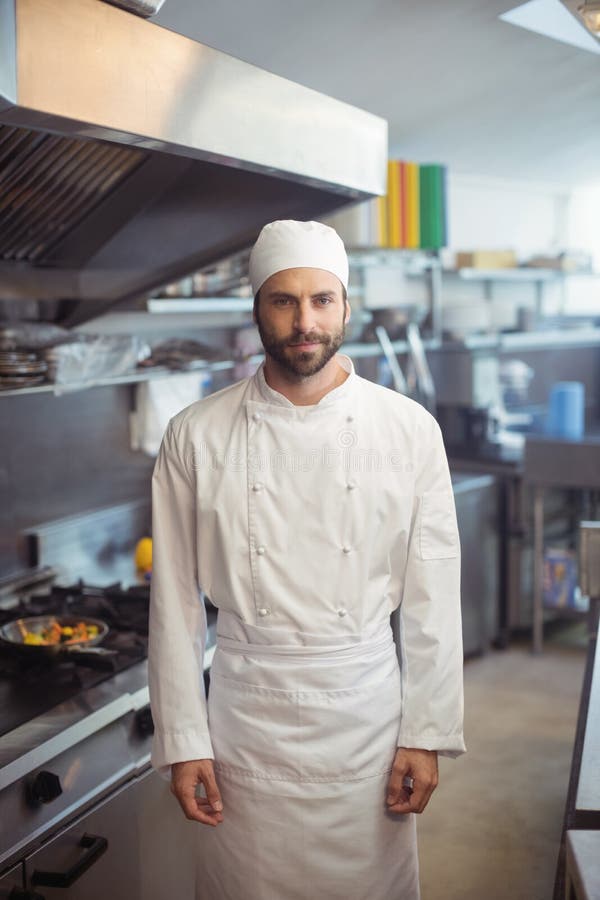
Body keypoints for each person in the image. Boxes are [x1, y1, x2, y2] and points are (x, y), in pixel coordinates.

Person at [148, 219, 465, 900]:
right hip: (245, 723)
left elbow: (434, 592)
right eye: (283, 301)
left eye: (321, 300)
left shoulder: (407, 430)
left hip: (366, 717)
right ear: (257, 309)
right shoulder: (195, 435)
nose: (304, 322)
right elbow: (172, 600)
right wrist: (184, 740)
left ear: (346, 307)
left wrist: (428, 733)